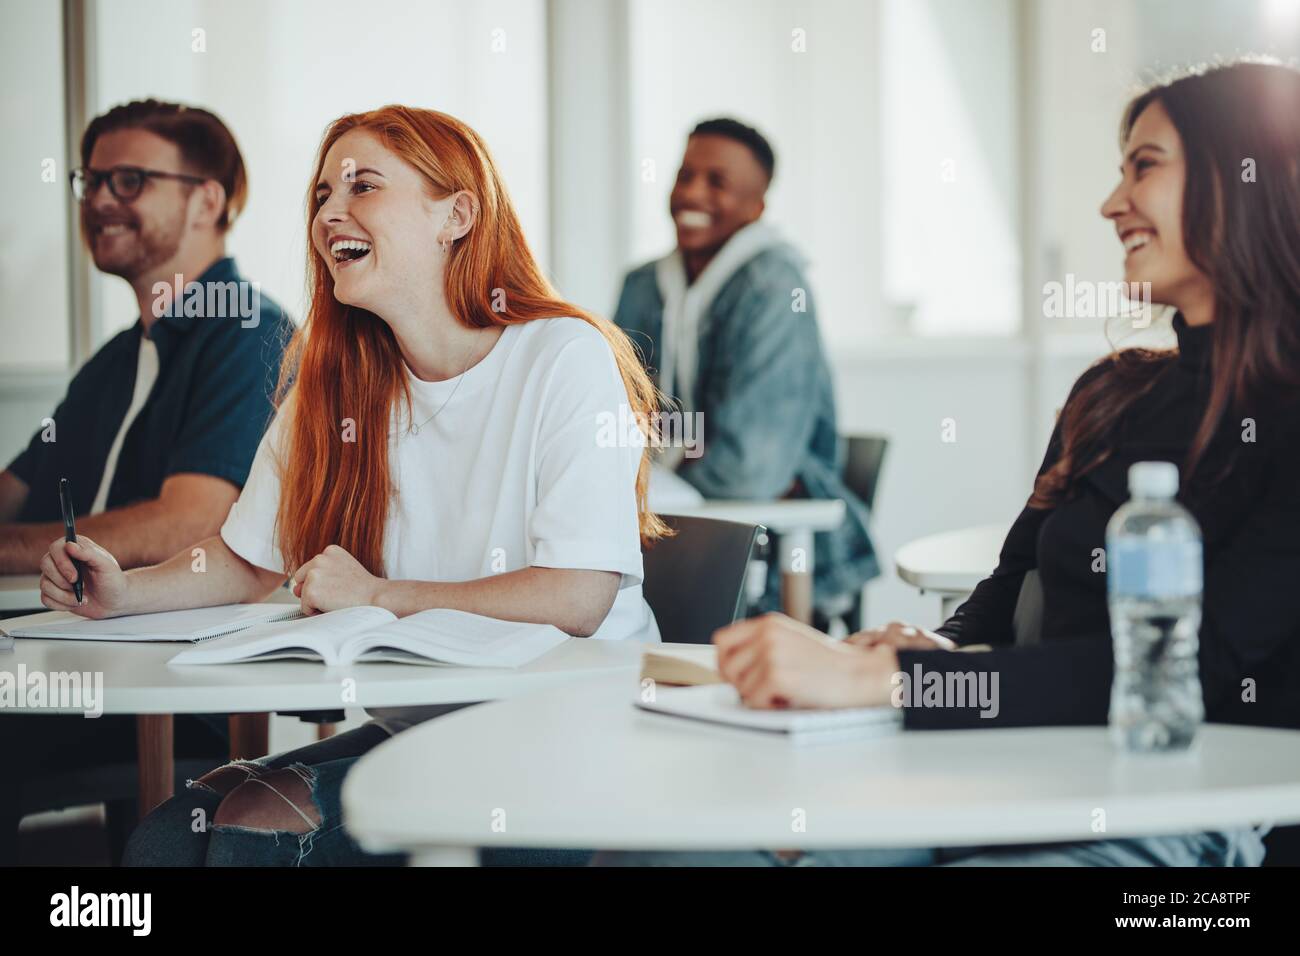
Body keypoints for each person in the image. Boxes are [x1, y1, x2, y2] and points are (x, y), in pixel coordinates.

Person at [597, 59, 1300, 867]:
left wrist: (891, 681)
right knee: (671, 853)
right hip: (1010, 765)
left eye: (1144, 166)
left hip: (1184, 814)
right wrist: (931, 646)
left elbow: (1187, 675)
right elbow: (998, 603)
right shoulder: (1112, 394)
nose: (1111, 203)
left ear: (1246, 180)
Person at [37, 105, 665, 866]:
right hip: (427, 727)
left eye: (363, 187)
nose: (330, 213)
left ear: (456, 215)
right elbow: (245, 558)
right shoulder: (339, 377)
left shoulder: (562, 356)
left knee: (253, 831)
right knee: (165, 842)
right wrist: (125, 593)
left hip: (564, 735)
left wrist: (378, 594)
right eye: (320, 198)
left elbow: (576, 596)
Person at [0, 99, 291, 864]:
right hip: (62, 653)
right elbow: (19, 488)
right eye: (89, 180)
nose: (99, 200)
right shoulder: (113, 362)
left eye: (129, 180)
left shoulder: (249, 334)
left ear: (209, 199)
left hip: (170, 681)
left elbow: (189, 523)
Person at [613, 118, 876, 623]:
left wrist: (660, 454)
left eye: (718, 182)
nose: (691, 192)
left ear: (757, 208)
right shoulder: (643, 285)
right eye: (684, 174)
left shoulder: (776, 287)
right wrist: (684, 446)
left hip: (778, 549)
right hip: (673, 525)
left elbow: (750, 468)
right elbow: (614, 423)